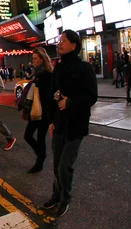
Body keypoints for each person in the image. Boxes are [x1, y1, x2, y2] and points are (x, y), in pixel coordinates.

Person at [41, 30, 97, 218]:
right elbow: (52, 95)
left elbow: (91, 96)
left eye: (63, 41)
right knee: (57, 164)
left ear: (74, 45)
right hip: (59, 124)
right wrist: (51, 121)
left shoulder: (84, 68)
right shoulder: (58, 67)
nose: (59, 43)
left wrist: (70, 102)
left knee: (65, 165)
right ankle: (56, 196)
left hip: (76, 125)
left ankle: (65, 199)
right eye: (59, 41)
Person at [23, 48, 54, 173]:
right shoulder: (36, 73)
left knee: (40, 138)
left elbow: (48, 95)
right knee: (28, 135)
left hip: (43, 111)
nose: (33, 61)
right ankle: (41, 155)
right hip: (36, 109)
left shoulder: (47, 74)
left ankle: (40, 161)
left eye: (35, 58)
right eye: (33, 58)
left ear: (42, 59)